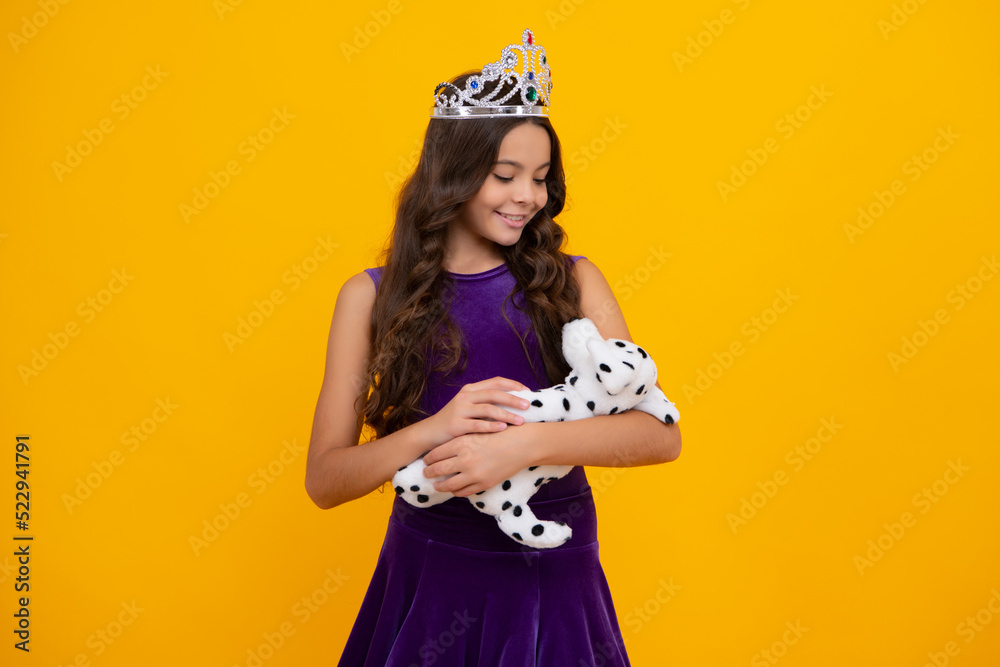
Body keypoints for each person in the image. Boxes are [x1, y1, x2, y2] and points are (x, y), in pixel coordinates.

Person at [305, 28, 682, 666]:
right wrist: (438, 430)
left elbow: (659, 434)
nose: (528, 197)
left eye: (539, 178)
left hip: (554, 579)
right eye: (504, 175)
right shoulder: (369, 298)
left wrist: (522, 446)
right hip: (430, 583)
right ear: (450, 174)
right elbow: (326, 479)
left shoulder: (574, 281)